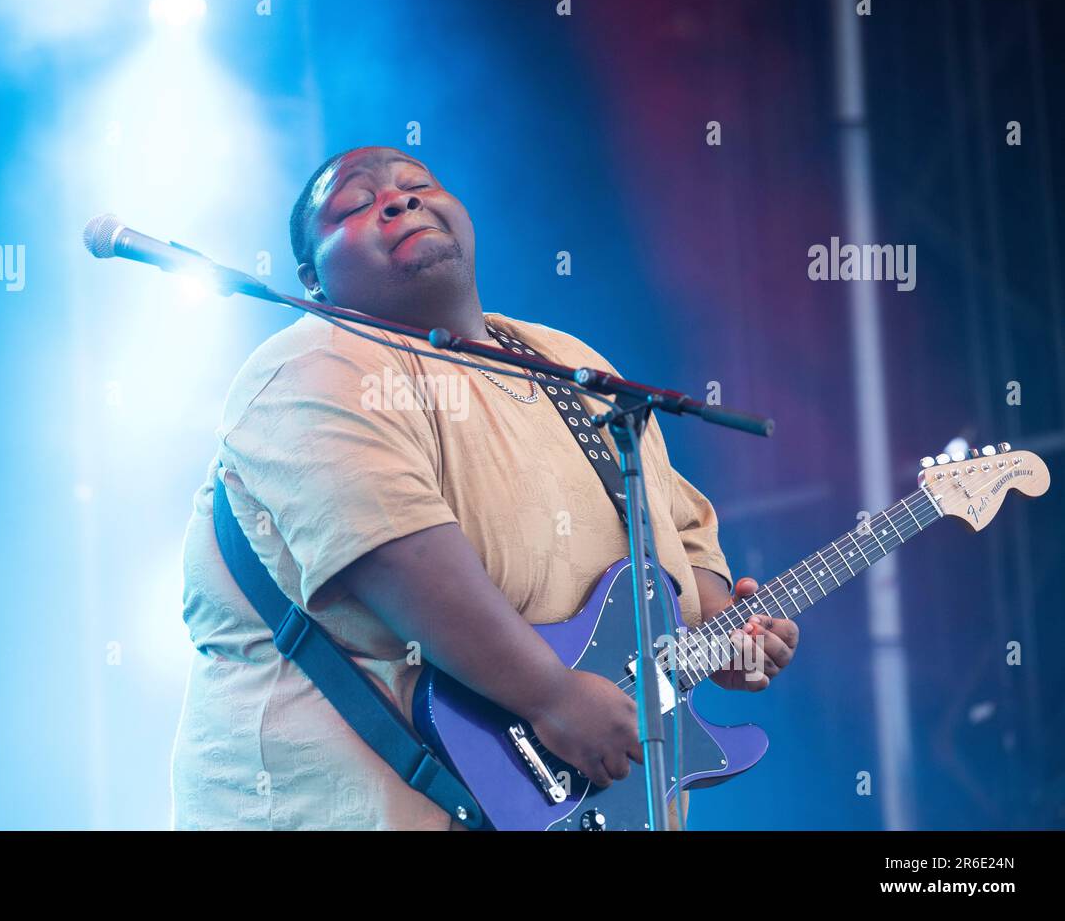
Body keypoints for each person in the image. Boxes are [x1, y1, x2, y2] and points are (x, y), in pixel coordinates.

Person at [171, 145, 798, 830]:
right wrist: (551, 696)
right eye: (356, 203)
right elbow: (401, 558)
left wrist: (724, 631)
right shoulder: (313, 363)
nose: (400, 199)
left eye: (418, 185)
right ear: (311, 280)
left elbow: (672, 529)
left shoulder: (569, 361)